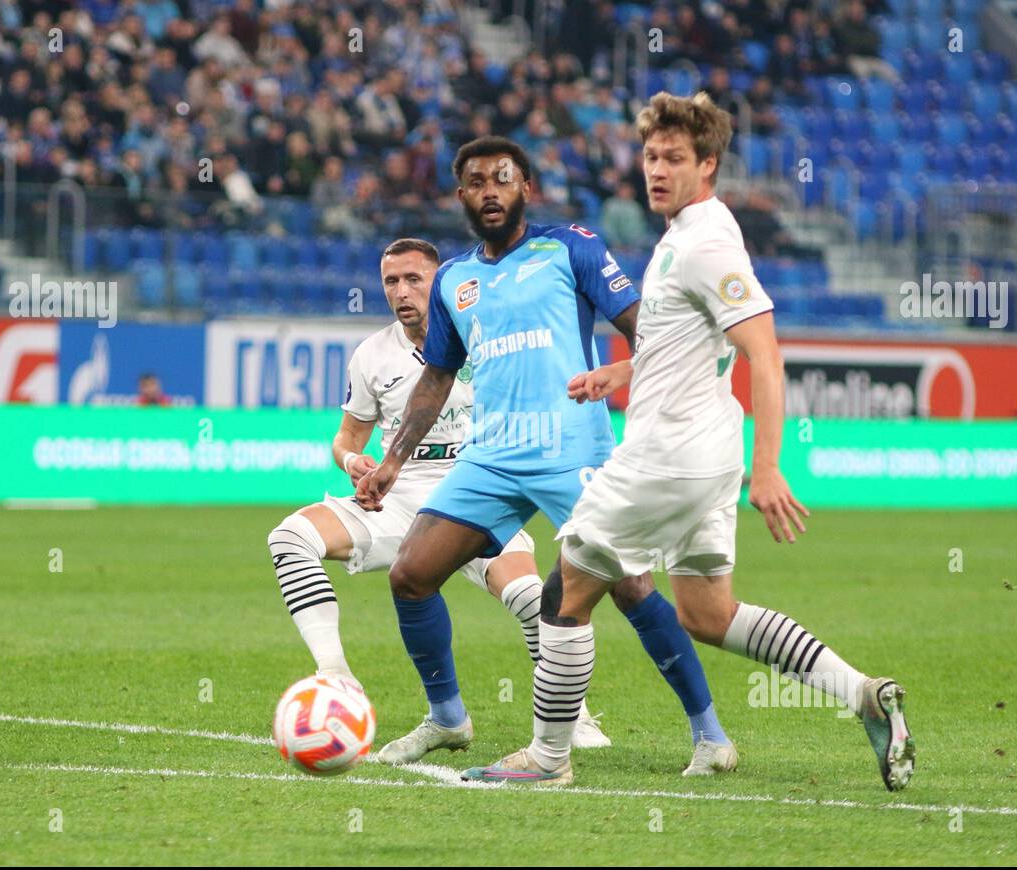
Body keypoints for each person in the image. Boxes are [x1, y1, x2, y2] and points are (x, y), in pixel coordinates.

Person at [462, 93, 916, 790]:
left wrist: (769, 468)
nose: (657, 170)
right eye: (649, 156)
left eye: (675, 158)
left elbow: (764, 354)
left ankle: (548, 761)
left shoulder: (703, 244)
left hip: (668, 455)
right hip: (704, 454)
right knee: (708, 613)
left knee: (565, 591)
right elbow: (690, 341)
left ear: (708, 164)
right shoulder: (686, 235)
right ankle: (863, 694)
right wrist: (623, 368)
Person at [355, 136, 738, 775]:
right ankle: (448, 719)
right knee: (411, 574)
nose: (489, 191)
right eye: (476, 182)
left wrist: (655, 404)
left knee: (631, 588)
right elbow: (437, 376)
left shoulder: (571, 248)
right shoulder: (453, 278)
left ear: (525, 187)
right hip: (490, 459)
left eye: (502, 179)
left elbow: (647, 331)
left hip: (572, 452)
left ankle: (710, 735)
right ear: (462, 197)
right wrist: (392, 460)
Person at [267, 237, 609, 750]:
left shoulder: (490, 334)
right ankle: (338, 676)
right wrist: (351, 461)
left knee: (529, 596)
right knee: (289, 539)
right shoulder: (371, 356)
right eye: (390, 281)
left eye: (413, 279)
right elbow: (346, 438)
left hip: (476, 487)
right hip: (398, 493)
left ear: (441, 281)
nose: (401, 292)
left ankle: (572, 714)